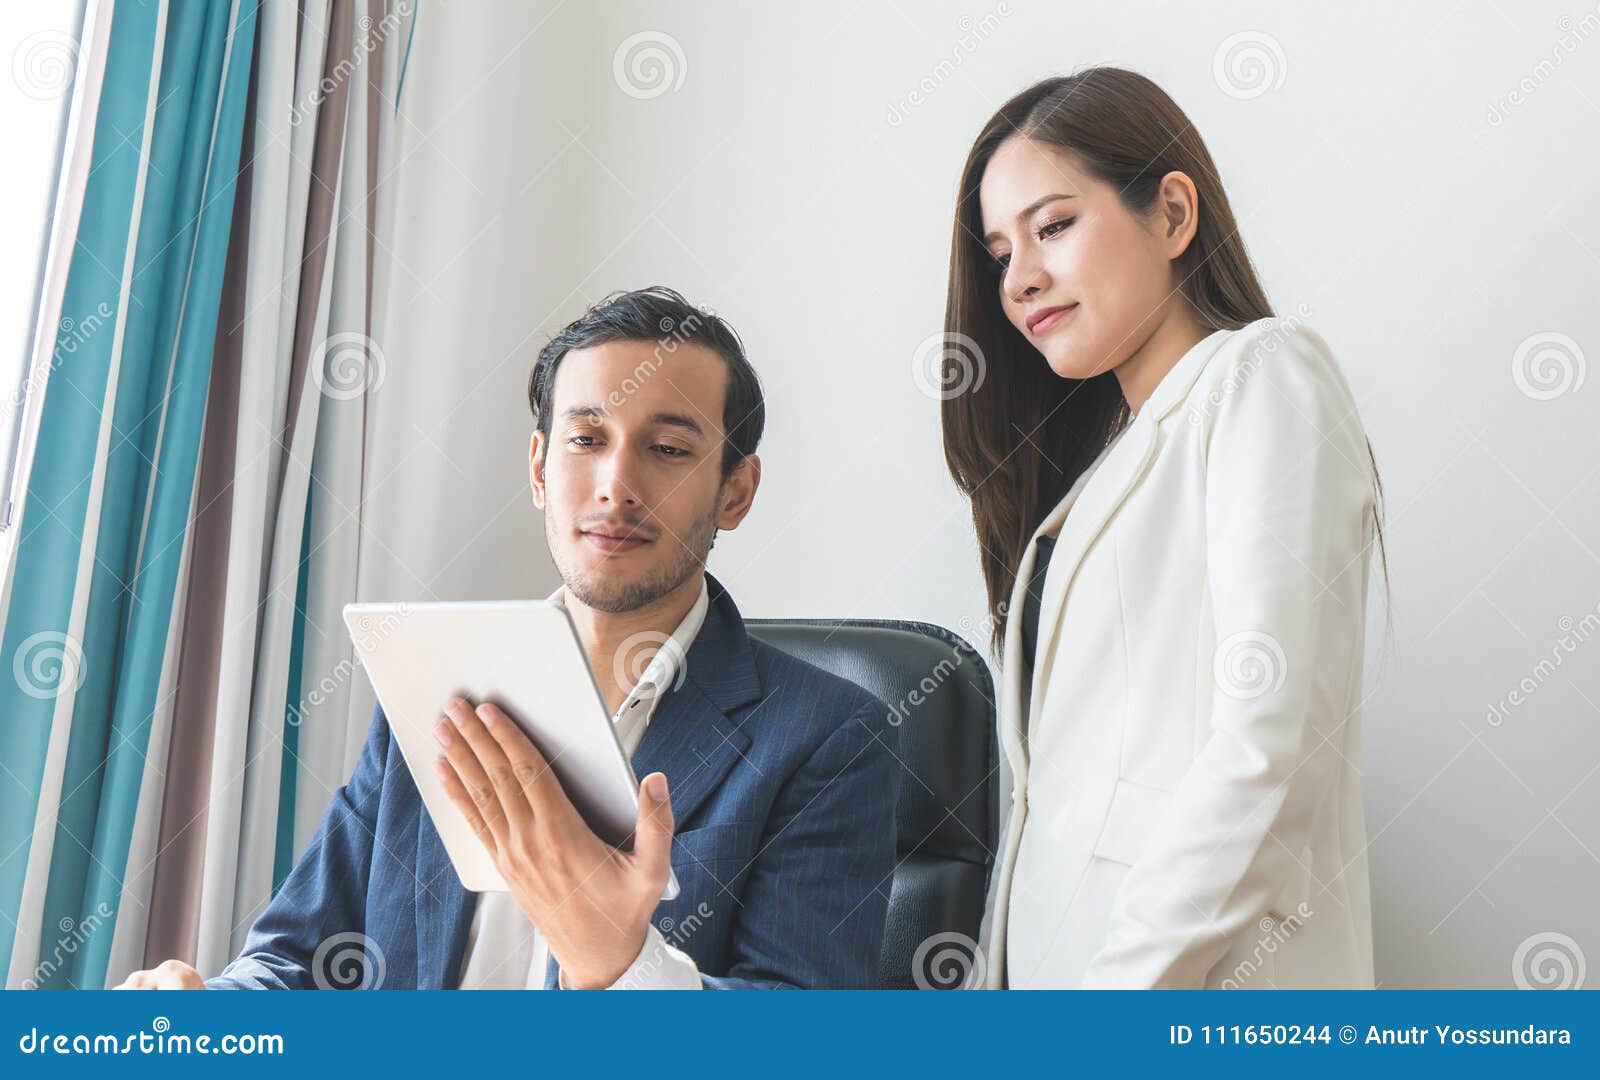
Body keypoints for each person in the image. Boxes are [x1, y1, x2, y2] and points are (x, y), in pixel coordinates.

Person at [116, 287, 901, 990]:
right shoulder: (434, 685)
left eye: (667, 450)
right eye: (585, 439)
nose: (615, 485)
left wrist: (623, 968)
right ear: (537, 468)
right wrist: (211, 1004)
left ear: (735, 491)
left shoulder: (830, 737)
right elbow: (298, 957)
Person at [941, 68, 1387, 988]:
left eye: (1053, 226)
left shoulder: (1262, 375)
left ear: (1173, 215)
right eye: (998, 253)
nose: (1020, 279)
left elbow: (1271, 741)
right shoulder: (1098, 474)